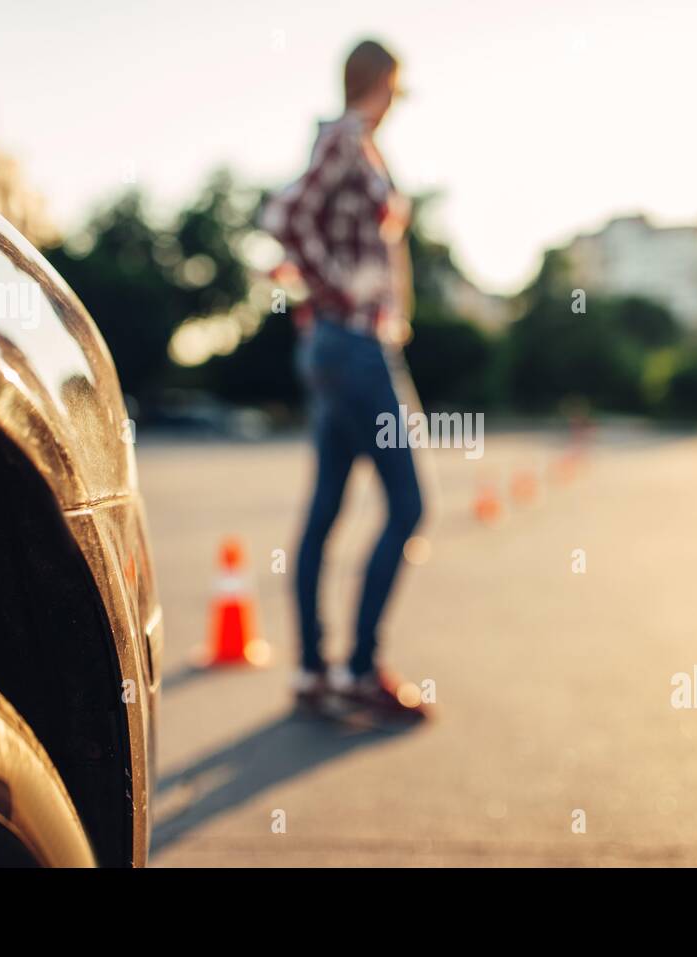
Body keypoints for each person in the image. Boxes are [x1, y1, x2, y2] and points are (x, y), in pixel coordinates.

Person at [263, 39, 428, 722]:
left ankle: (311, 670)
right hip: (351, 344)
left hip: (344, 344)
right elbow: (284, 216)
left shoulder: (357, 146)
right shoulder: (345, 138)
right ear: (382, 84)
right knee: (408, 505)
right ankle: (358, 669)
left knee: (327, 508)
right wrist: (335, 292)